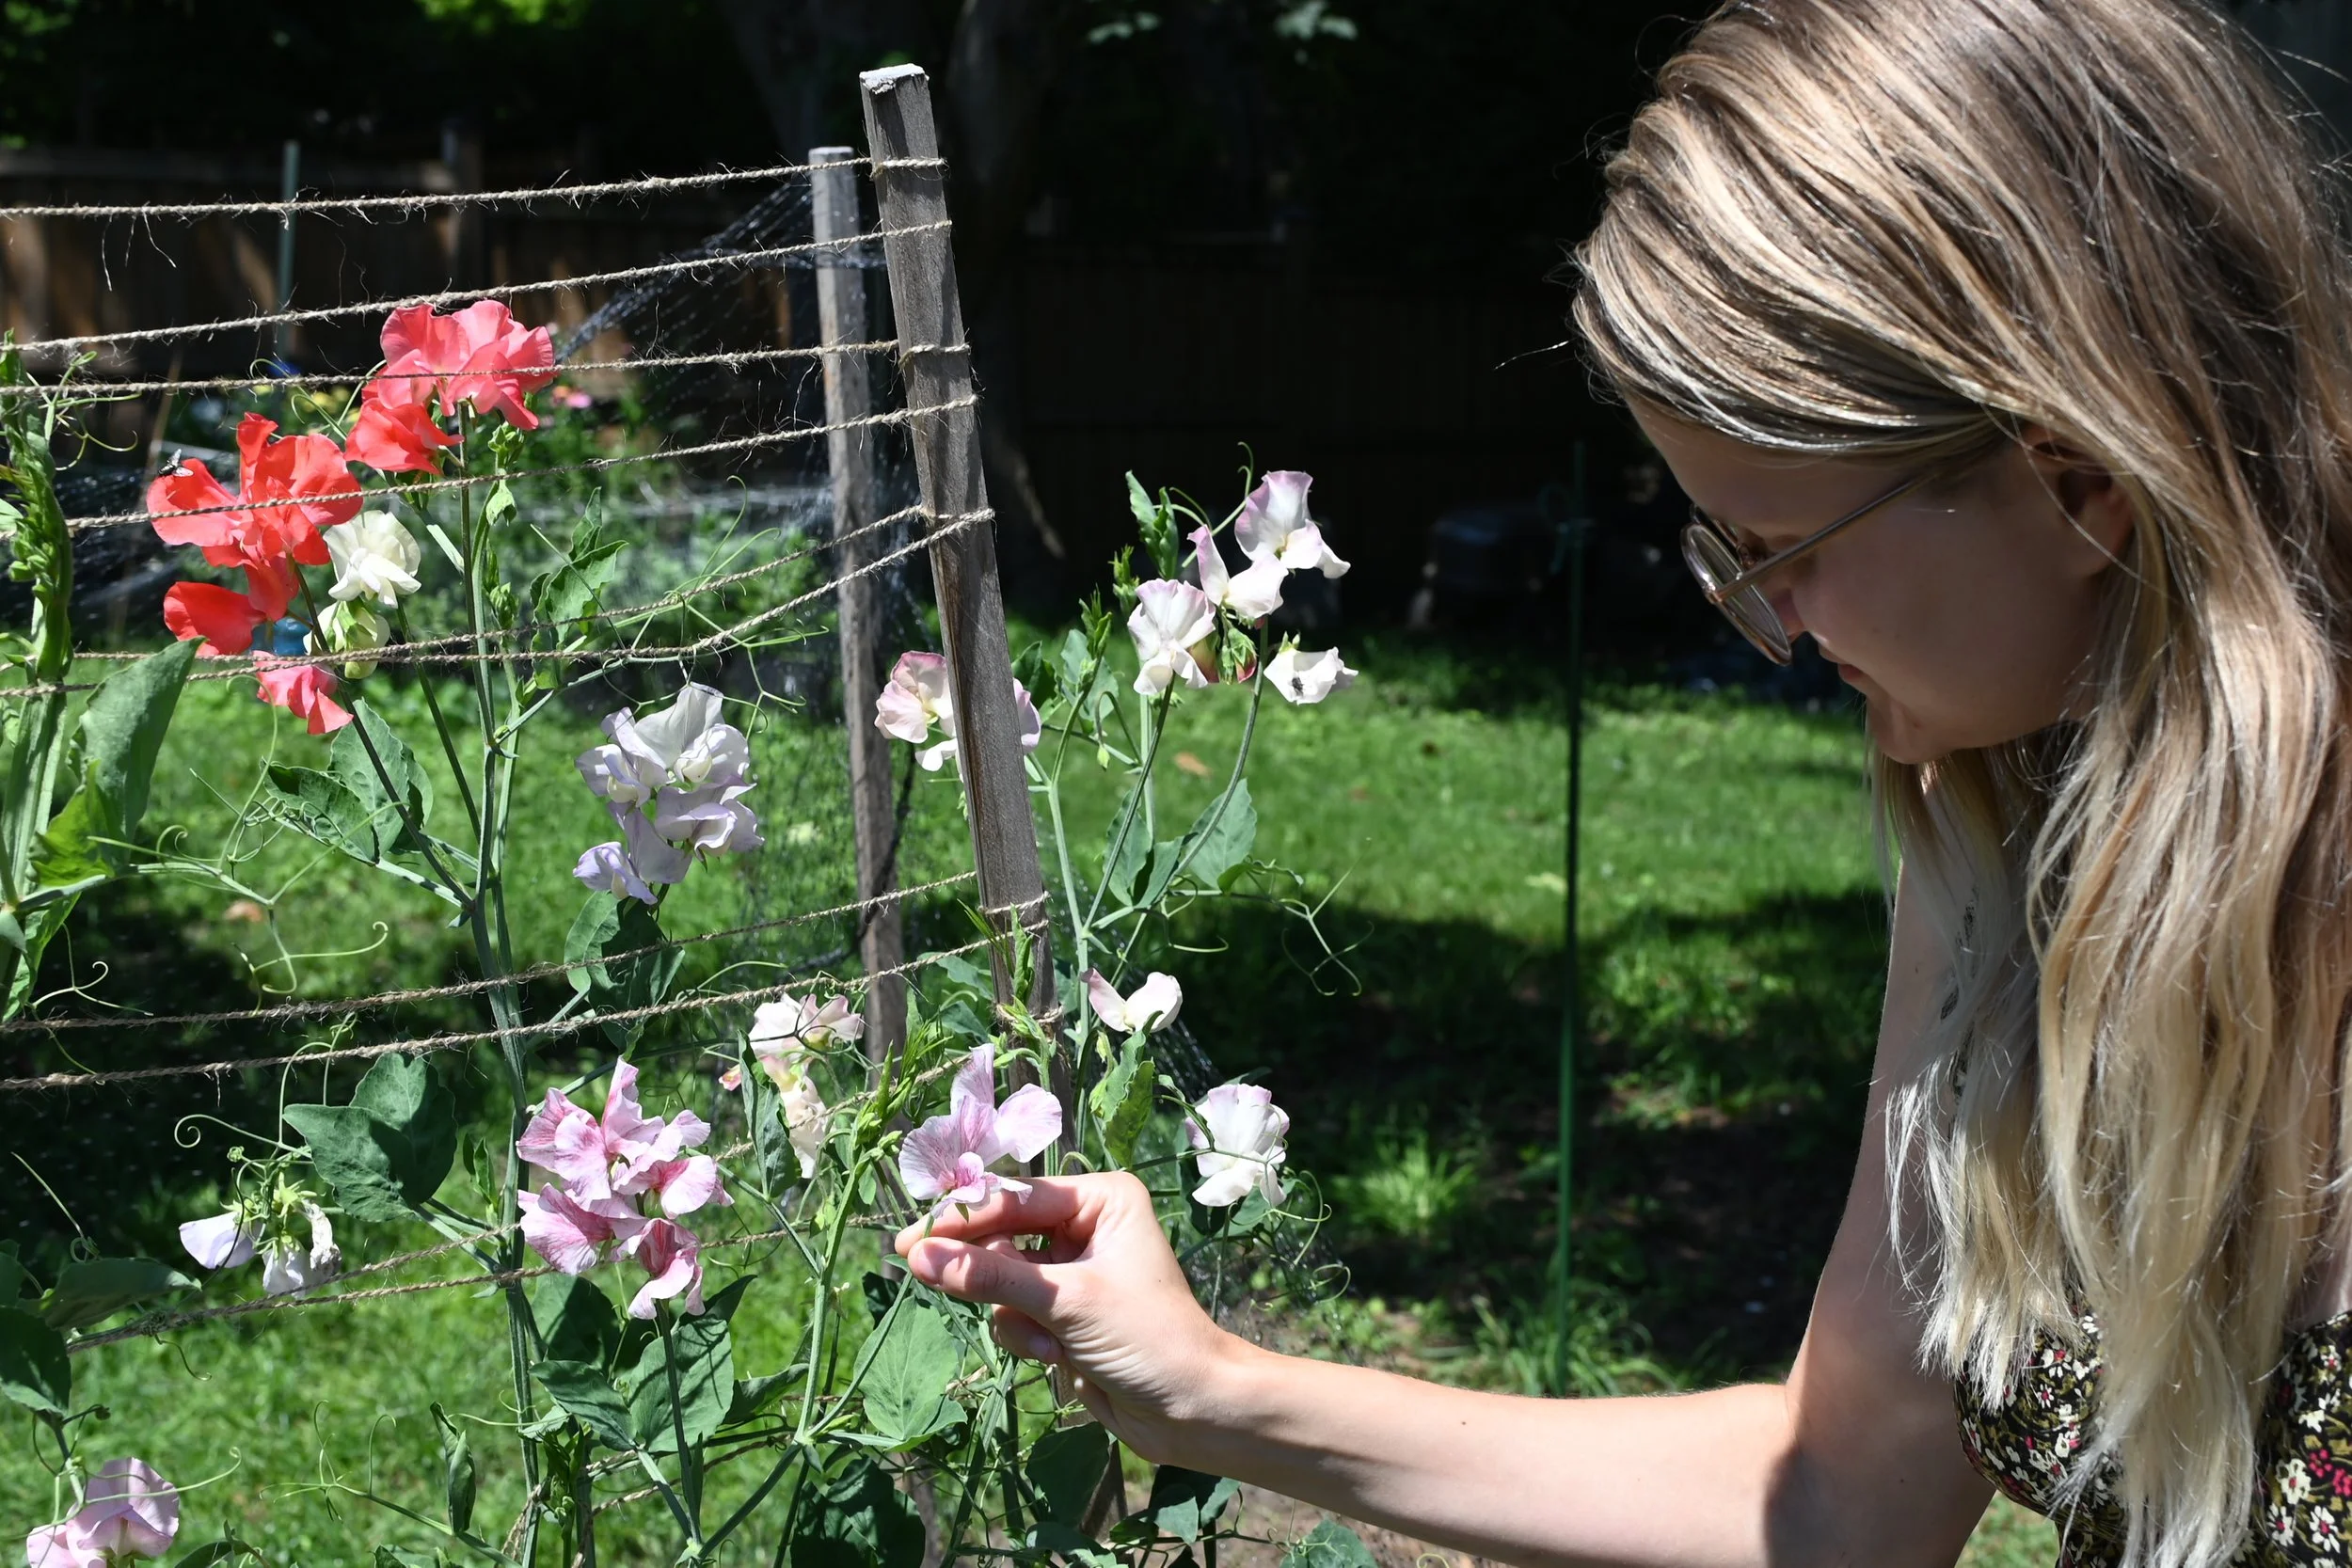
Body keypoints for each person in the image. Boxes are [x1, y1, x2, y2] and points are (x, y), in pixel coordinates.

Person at [896, 1, 2352, 1562]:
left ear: (2076, 484)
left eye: (1780, 551)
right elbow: (1838, 1491)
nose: (1771, 630)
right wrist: (1206, 1389)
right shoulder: (2005, 848)